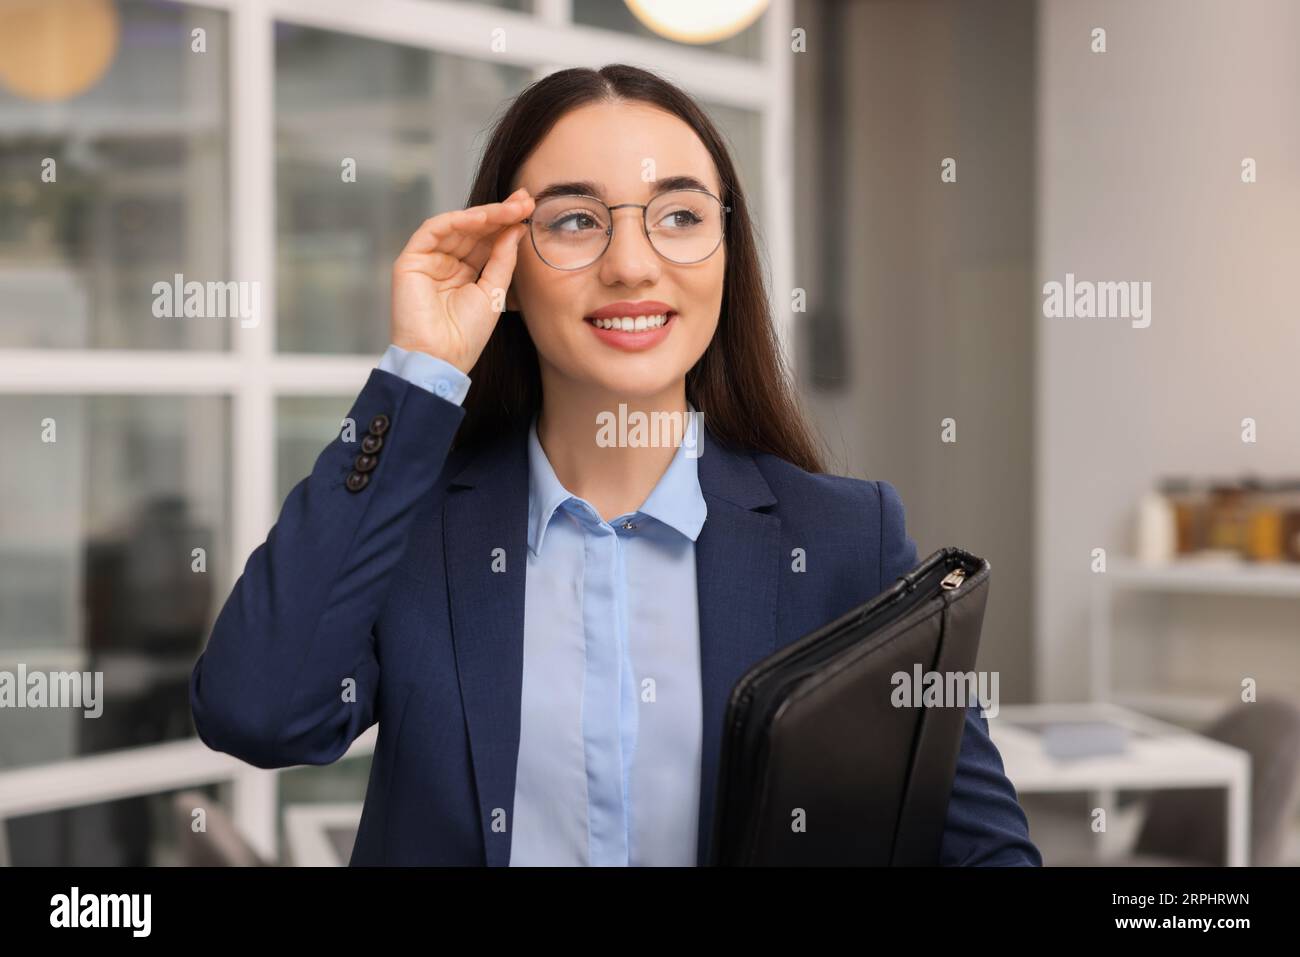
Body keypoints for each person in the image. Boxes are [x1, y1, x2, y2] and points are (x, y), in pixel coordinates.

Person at [190, 63, 1041, 867]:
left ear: (726, 256)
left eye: (679, 217)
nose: (632, 265)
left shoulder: (848, 539)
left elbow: (984, 851)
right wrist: (419, 372)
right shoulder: (414, 531)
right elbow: (256, 712)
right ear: (508, 269)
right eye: (573, 219)